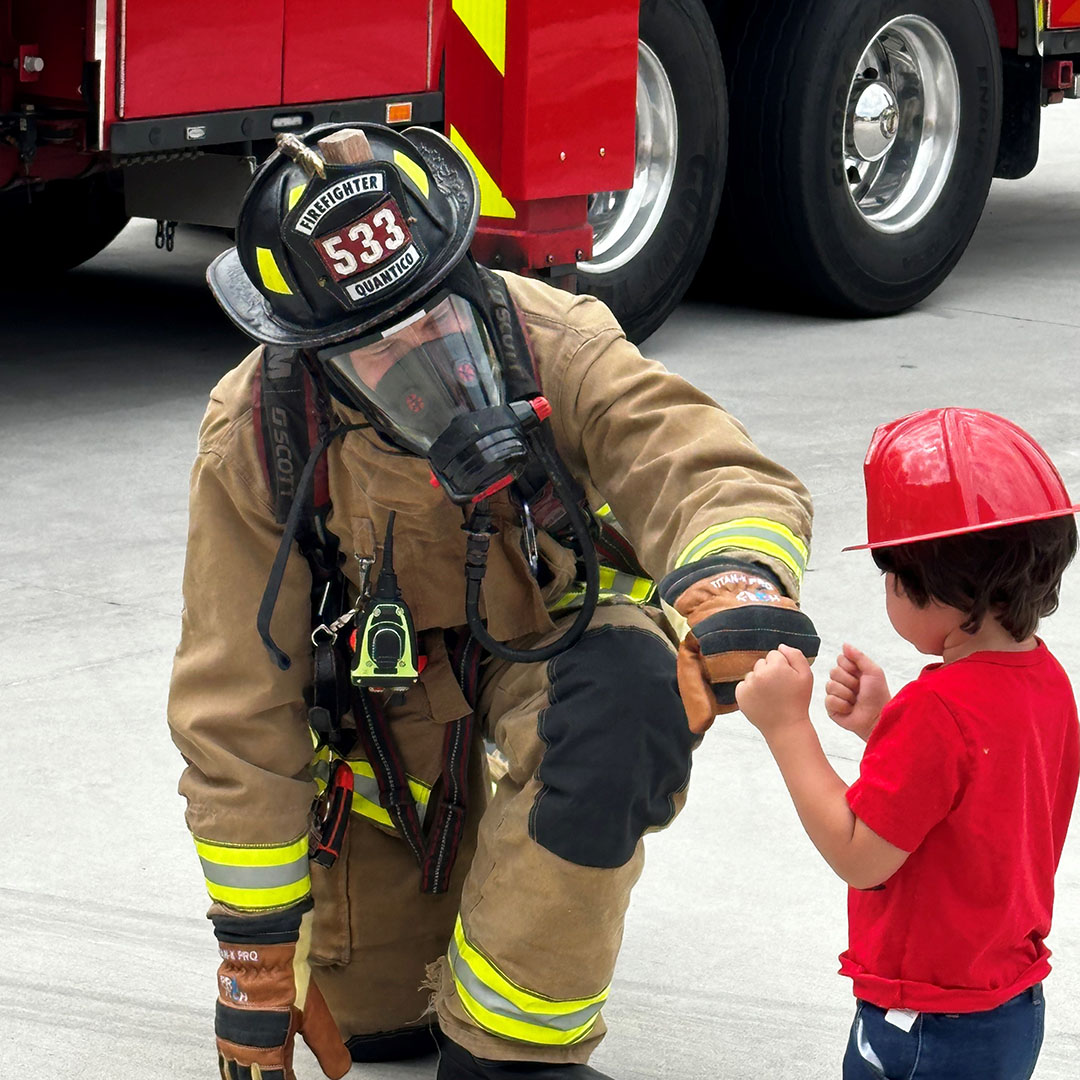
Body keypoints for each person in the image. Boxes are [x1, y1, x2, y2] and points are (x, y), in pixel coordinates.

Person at [167, 122, 817, 1080]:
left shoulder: (553, 341)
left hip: (546, 670)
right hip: (380, 743)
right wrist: (256, 963)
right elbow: (235, 706)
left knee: (631, 687)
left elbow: (701, 461)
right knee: (379, 1019)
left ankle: (514, 1054)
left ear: (458, 271)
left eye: (431, 320)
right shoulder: (261, 435)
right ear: (315, 350)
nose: (415, 357)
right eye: (374, 349)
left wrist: (737, 581)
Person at [735, 408, 1080, 1080]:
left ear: (944, 592)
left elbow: (862, 856)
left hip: (923, 1024)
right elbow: (973, 793)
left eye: (891, 578)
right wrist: (882, 726)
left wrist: (787, 727)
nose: (888, 592)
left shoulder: (938, 709)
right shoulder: (1046, 680)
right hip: (1009, 1008)